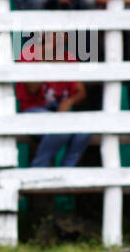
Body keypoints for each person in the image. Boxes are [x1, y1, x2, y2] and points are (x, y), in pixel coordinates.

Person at [16, 35, 90, 168]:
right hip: (33, 111)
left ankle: (66, 172)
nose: (61, 37)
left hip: (59, 113)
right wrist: (46, 56)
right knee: (61, 128)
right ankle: (38, 169)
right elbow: (32, 89)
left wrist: (69, 101)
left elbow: (81, 92)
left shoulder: (68, 57)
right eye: (55, 34)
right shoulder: (29, 54)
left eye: (63, 34)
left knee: (86, 130)